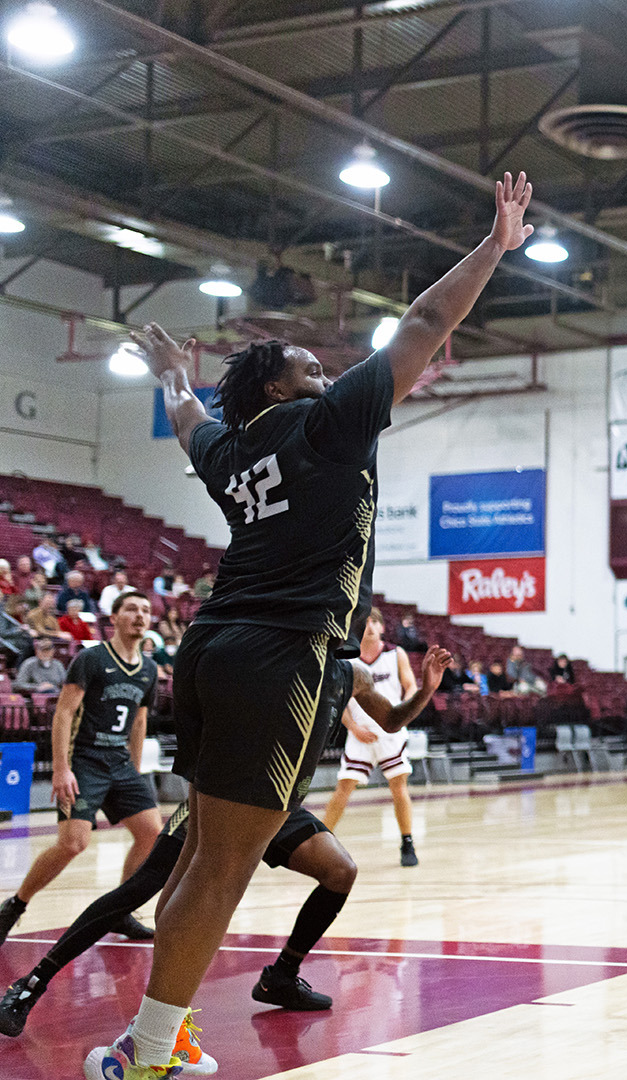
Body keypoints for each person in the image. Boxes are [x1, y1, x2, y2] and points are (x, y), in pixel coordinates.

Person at [90, 171, 537, 1080]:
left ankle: (159, 1035)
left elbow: (186, 415)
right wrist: (495, 247)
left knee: (201, 856)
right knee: (224, 868)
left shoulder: (228, 450)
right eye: (309, 366)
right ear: (277, 386)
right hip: (281, 654)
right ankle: (146, 1055)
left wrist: (172, 370)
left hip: (211, 647)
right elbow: (425, 322)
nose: (326, 374)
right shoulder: (326, 424)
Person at [4, 647, 450, 1064]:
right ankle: (30, 985)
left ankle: (281, 976)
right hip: (225, 793)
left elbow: (391, 720)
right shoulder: (272, 656)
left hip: (281, 803)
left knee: (340, 871)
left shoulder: (350, 673)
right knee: (141, 887)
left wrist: (426, 690)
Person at [0, 592, 167, 948]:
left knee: (152, 833)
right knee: (73, 844)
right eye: (131, 609)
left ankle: (120, 912)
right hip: (84, 760)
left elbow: (139, 722)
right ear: (114, 618)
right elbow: (63, 713)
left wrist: (134, 771)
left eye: (145, 610)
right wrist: (61, 768)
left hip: (120, 763)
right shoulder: (91, 658)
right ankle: (15, 906)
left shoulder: (149, 669)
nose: (140, 615)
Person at [320, 609, 421, 867]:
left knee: (399, 786)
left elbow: (411, 686)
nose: (371, 626)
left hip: (391, 731)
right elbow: (339, 699)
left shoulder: (396, 654)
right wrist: (353, 727)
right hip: (360, 732)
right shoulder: (347, 658)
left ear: (383, 627)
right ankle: (320, 839)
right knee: (344, 786)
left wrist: (403, 713)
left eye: (375, 621)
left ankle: (407, 842)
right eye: (365, 622)